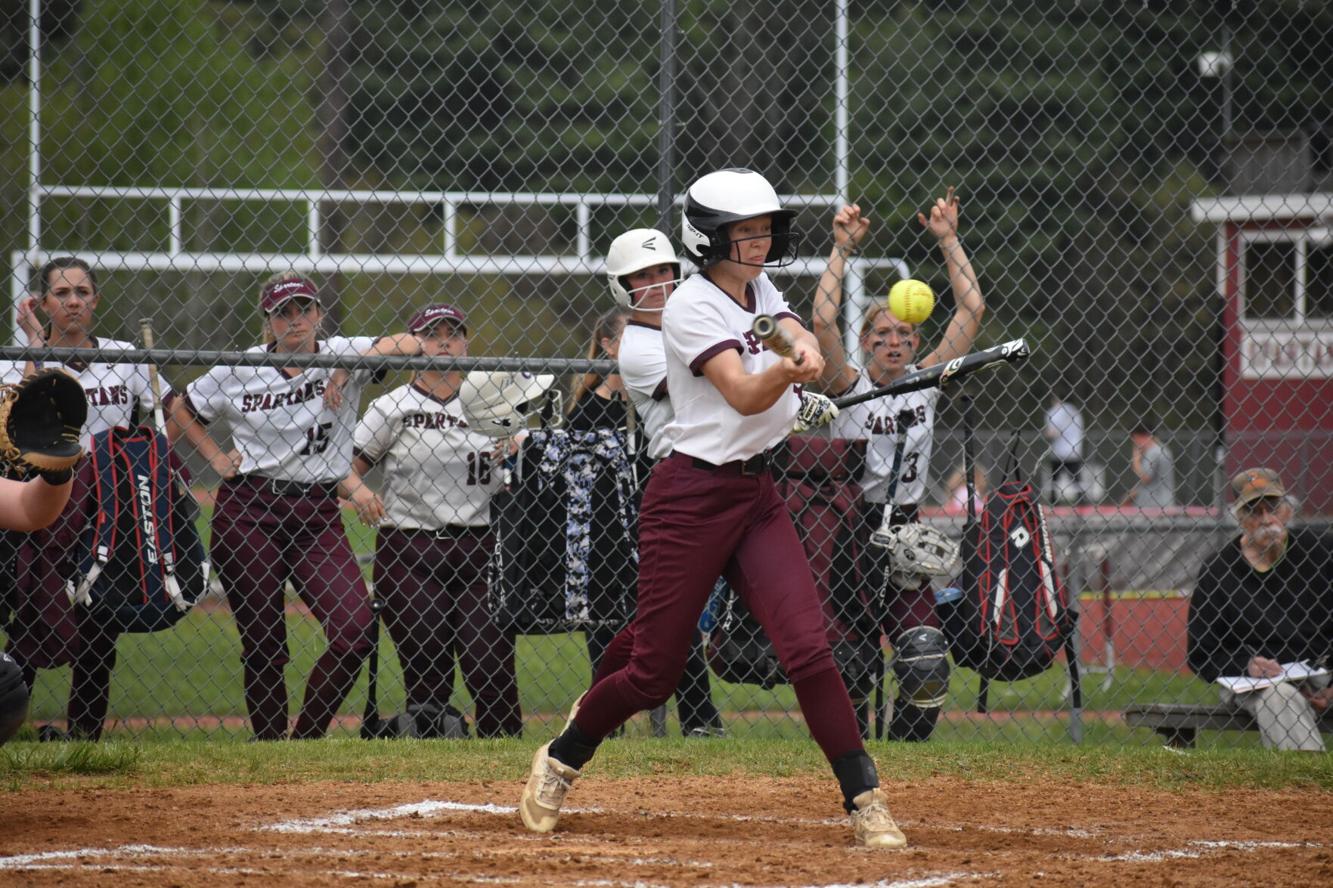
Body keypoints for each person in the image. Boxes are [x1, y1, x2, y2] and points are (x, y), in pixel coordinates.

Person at [519, 168, 906, 849]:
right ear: (708, 240)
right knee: (652, 674)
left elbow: (788, 326)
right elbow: (744, 394)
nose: (759, 243)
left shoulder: (759, 288)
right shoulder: (689, 307)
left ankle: (864, 797)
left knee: (810, 649)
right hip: (689, 499)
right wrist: (788, 371)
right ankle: (561, 757)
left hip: (757, 498)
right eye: (744, 233)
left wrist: (803, 348)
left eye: (764, 230)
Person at [167, 273, 422, 740]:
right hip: (248, 511)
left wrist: (343, 368)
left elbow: (411, 343)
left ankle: (305, 739)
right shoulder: (241, 367)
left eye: (304, 308)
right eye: (282, 312)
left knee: (355, 630)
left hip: (317, 514)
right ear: (268, 320)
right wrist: (216, 458)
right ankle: (270, 745)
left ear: (319, 314)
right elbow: (182, 410)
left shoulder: (340, 351)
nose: (295, 319)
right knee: (264, 645)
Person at [810, 187, 985, 742]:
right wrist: (842, 249)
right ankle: (854, 754)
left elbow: (972, 311)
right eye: (882, 334)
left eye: (904, 335)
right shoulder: (848, 385)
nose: (894, 342)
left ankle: (908, 752)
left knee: (925, 656)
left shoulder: (926, 383)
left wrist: (948, 239)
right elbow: (821, 321)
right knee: (849, 664)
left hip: (907, 530)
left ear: (915, 342)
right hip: (850, 530)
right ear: (865, 343)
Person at [4, 256, 170, 738]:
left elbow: (170, 410)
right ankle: (9, 719)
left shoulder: (124, 356)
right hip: (44, 500)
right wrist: (36, 347)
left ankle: (84, 735)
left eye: (82, 292)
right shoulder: (18, 358)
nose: (73, 301)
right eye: (61, 293)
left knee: (101, 616)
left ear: (95, 300)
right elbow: (19, 422)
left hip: (109, 505)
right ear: (43, 303)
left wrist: (150, 459)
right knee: (34, 613)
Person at [341, 303, 522, 738]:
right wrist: (361, 493)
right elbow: (343, 467)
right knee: (426, 664)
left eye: (453, 333)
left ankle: (505, 747)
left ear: (466, 343)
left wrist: (517, 452)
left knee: (489, 663)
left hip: (481, 547)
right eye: (432, 334)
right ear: (414, 343)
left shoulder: (494, 400)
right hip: (411, 548)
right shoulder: (393, 406)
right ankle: (431, 747)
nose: (444, 342)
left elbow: (522, 475)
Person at [567, 300, 723, 738]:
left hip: (657, 522)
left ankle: (700, 721)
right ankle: (603, 723)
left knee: (674, 619)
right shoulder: (588, 413)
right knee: (606, 624)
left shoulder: (661, 404)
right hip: (606, 534)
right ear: (609, 346)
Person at [1186, 468, 1333, 751]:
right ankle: (1308, 776)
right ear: (1240, 518)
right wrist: (1247, 664)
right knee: (1279, 696)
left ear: (1287, 510)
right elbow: (1201, 653)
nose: (1266, 519)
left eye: (1273, 507)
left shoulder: (1322, 551)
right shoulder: (1218, 570)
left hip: (1320, 669)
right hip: (1255, 682)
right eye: (1254, 511)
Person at [1043, 395, 1085, 503]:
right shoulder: (1075, 411)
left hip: (1059, 452)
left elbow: (1052, 433)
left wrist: (1046, 434)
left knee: (1055, 479)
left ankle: (1054, 502)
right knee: (1076, 479)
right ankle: (1081, 502)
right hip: (1074, 450)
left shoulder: (1053, 413)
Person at [1123, 421, 1175, 508]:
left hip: (1153, 505)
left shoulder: (1153, 452)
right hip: (1164, 502)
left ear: (1142, 436)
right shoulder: (1162, 449)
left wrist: (1136, 460)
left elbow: (1145, 478)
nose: (1135, 442)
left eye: (1135, 438)